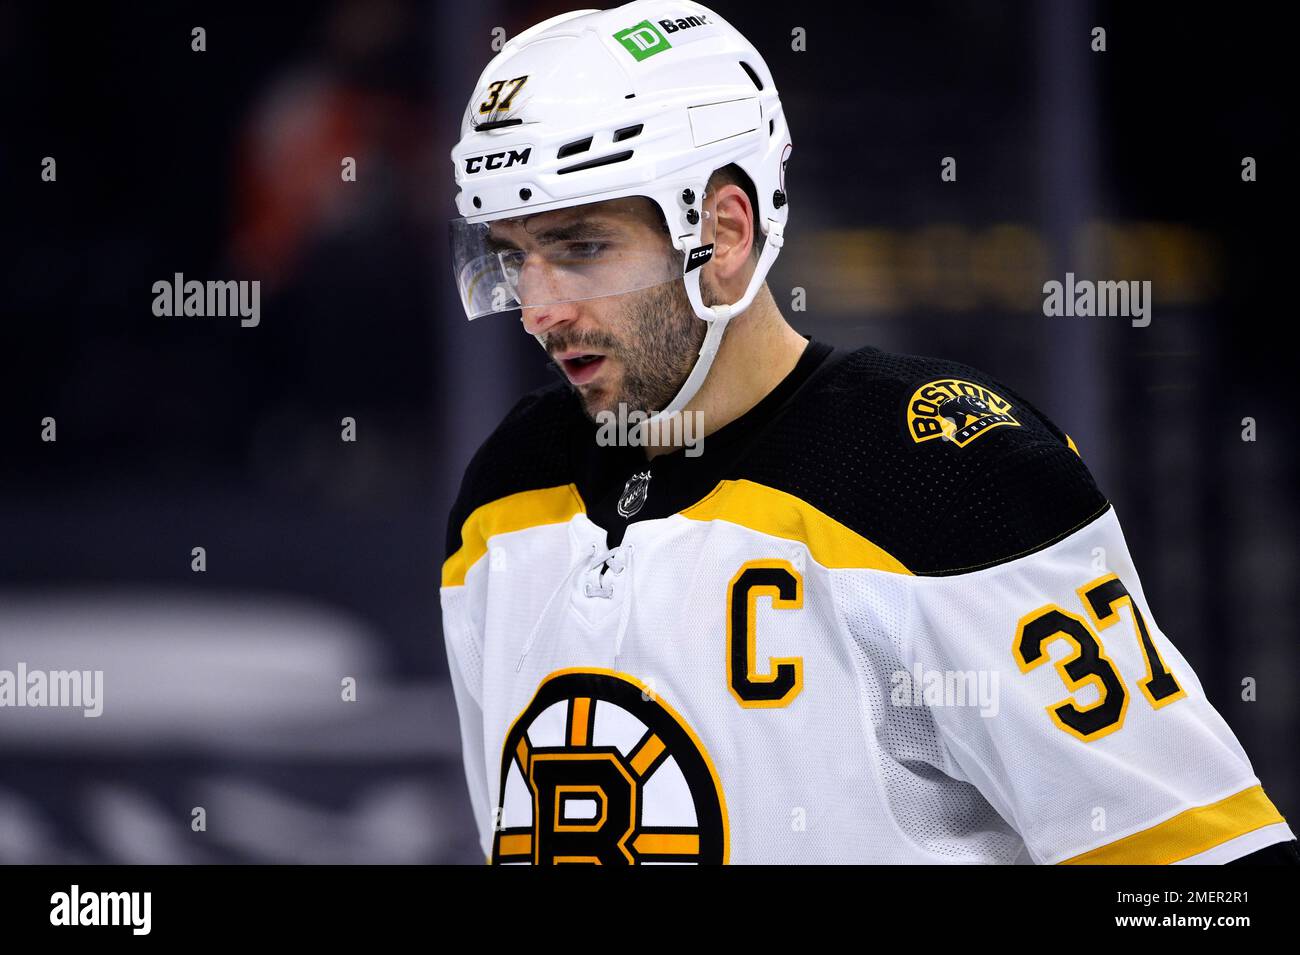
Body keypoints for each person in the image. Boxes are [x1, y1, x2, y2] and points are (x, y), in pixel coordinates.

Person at [439, 0, 1297, 864]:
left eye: (581, 248)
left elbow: (1212, 876)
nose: (540, 309)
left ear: (724, 232)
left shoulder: (943, 475)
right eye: (514, 256)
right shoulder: (506, 495)